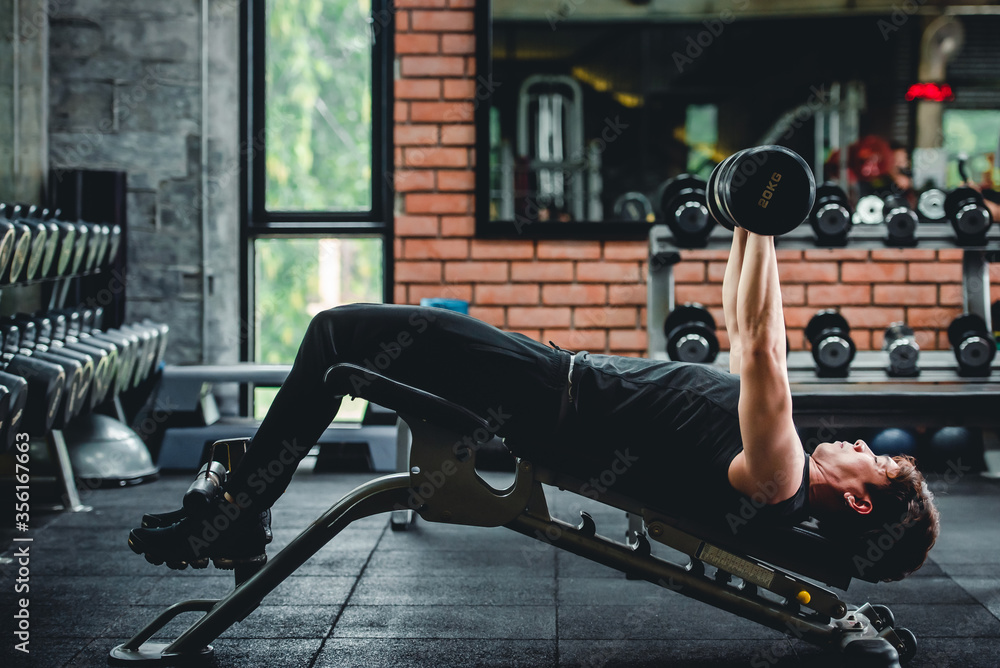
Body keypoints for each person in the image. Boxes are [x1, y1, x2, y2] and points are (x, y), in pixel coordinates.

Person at [129, 228, 940, 583]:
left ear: (860, 496)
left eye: (876, 458)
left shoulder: (780, 475)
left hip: (547, 396)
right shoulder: (781, 474)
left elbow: (763, 347)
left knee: (337, 333)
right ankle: (241, 505)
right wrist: (742, 224)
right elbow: (744, 336)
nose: (865, 445)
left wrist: (761, 229)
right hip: (549, 386)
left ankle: (239, 509)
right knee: (344, 359)